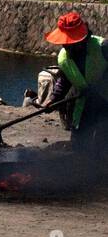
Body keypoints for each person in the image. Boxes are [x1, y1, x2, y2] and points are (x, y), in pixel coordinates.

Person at [45, 11, 107, 157]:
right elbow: (65, 79)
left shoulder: (103, 47)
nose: (66, 46)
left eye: (70, 43)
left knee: (102, 146)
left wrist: (100, 86)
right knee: (79, 146)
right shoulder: (64, 57)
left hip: (105, 104)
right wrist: (53, 99)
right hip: (84, 105)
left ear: (82, 39)